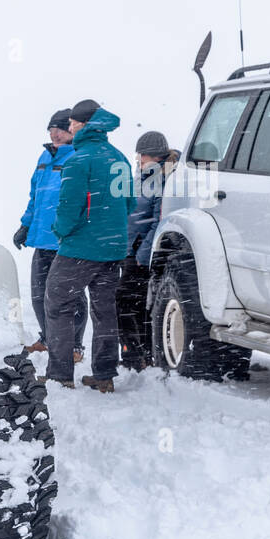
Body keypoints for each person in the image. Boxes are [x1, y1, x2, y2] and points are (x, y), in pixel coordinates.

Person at [42, 98, 136, 393]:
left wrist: (60, 230)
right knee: (104, 310)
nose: (68, 126)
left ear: (83, 124)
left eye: (71, 122)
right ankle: (104, 374)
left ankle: (60, 375)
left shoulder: (78, 160)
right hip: (113, 248)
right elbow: (129, 203)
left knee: (57, 304)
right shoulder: (118, 158)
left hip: (81, 248)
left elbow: (69, 208)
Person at [14, 109, 88, 363]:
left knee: (71, 297)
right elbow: (35, 197)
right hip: (42, 239)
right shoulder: (45, 157)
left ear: (72, 131)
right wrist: (25, 225)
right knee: (39, 295)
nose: (54, 134)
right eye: (51, 129)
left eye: (60, 129)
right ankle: (48, 338)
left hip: (67, 241)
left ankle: (75, 346)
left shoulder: (79, 158)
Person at [117, 131, 178, 371]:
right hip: (130, 250)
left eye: (141, 155)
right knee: (135, 304)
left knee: (125, 302)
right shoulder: (144, 176)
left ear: (154, 155)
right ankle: (141, 355)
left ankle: (137, 356)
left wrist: (143, 254)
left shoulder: (164, 179)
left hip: (142, 254)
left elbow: (158, 220)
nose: (138, 159)